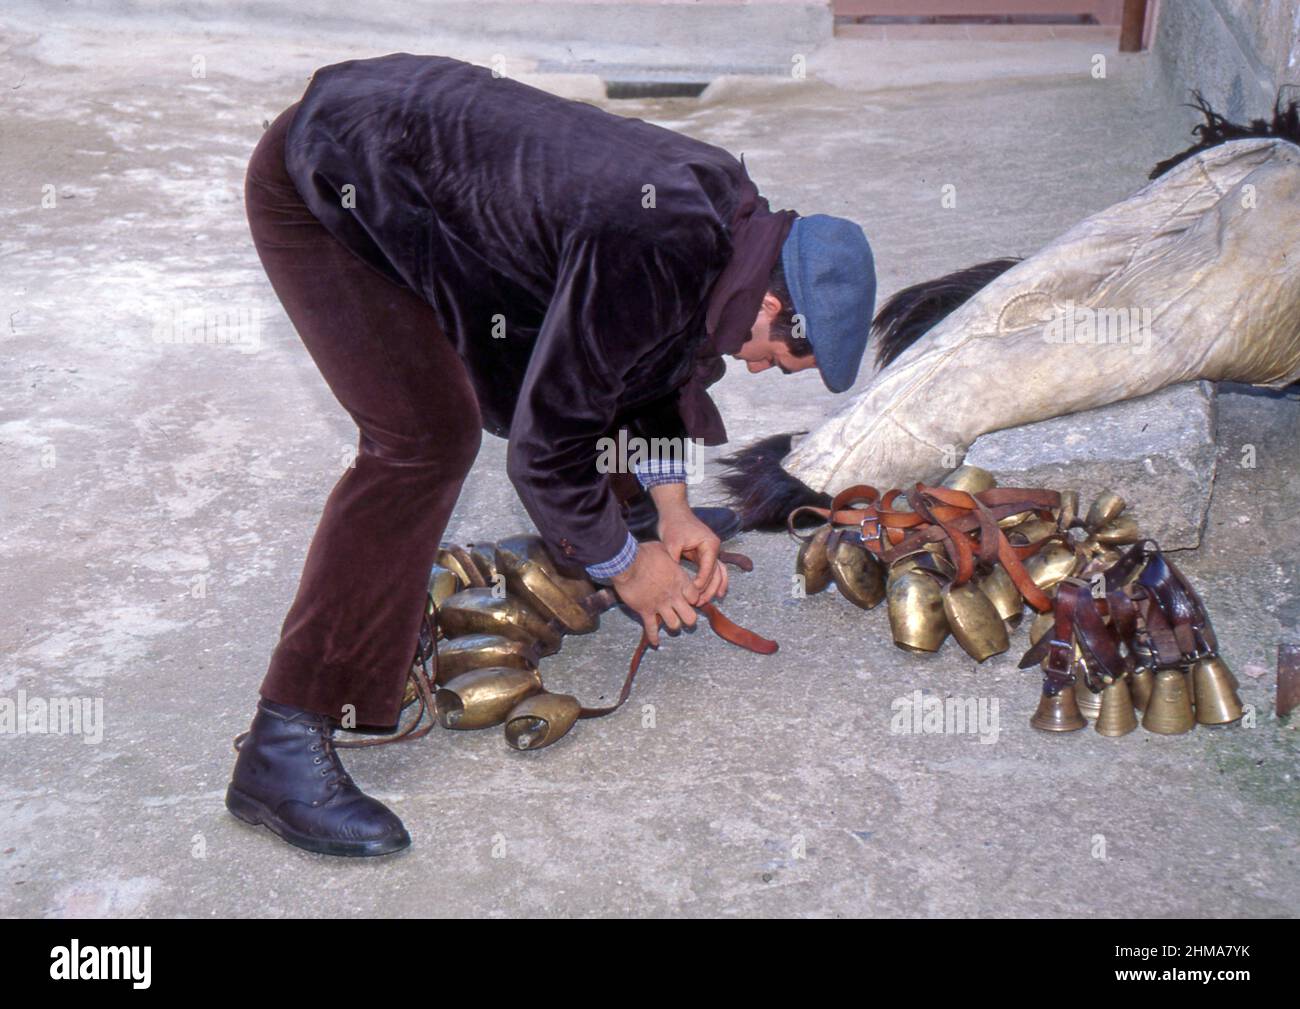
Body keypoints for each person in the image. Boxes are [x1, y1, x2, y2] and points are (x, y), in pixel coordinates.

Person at [226, 53, 876, 857]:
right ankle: (283, 743)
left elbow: (659, 360)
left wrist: (670, 512)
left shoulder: (725, 227)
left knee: (589, 356)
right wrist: (631, 570)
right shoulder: (654, 237)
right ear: (775, 303)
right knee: (423, 440)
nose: (757, 368)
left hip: (416, 169)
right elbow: (547, 446)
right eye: (779, 357)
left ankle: (621, 521)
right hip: (331, 184)